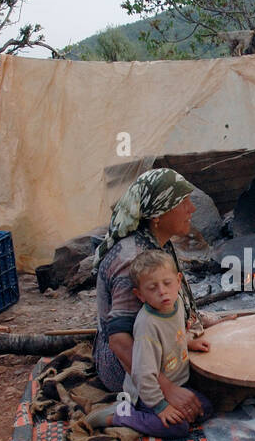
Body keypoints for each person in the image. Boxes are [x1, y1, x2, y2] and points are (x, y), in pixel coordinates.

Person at [93, 169, 217, 423]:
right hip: (128, 368)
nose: (191, 209)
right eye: (183, 203)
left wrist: (196, 324)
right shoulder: (133, 261)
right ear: (159, 215)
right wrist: (167, 391)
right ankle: (123, 415)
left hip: (157, 347)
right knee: (204, 400)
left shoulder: (157, 242)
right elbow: (119, 341)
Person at [88, 250, 214, 438]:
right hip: (147, 393)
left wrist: (187, 342)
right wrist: (161, 406)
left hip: (177, 382)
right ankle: (121, 416)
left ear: (178, 281)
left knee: (206, 408)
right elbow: (142, 373)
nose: (162, 291)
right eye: (152, 288)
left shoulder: (176, 303)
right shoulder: (147, 326)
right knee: (177, 428)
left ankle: (164, 409)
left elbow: (173, 333)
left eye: (167, 283)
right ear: (140, 295)